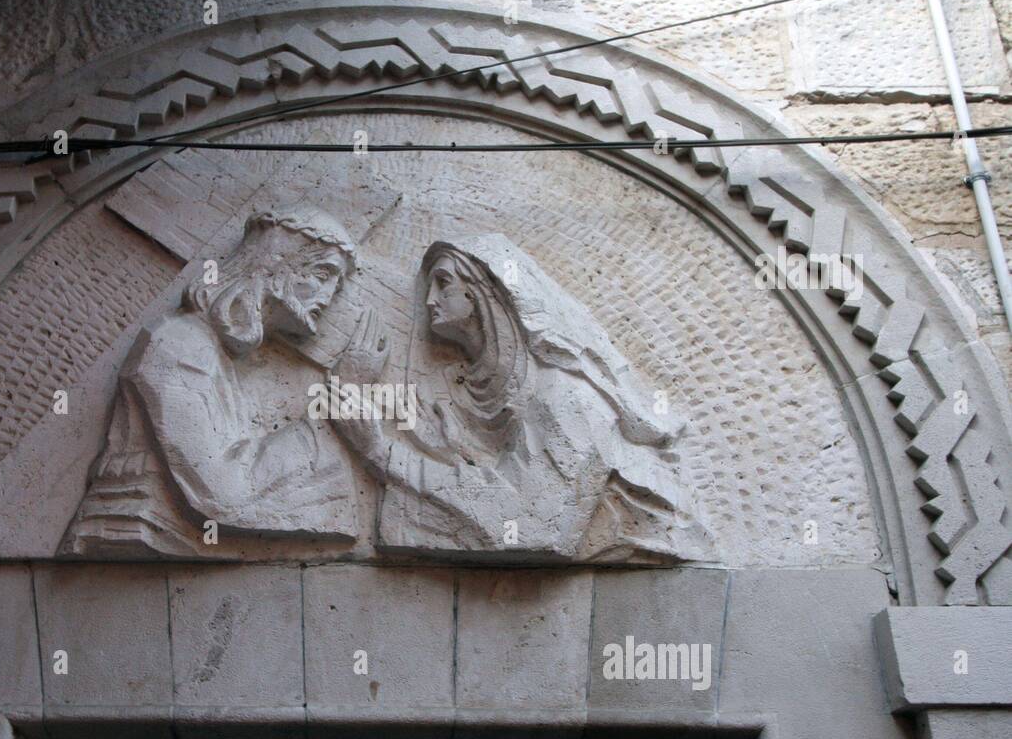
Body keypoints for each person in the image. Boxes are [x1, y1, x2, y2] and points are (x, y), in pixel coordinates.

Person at [331, 234, 715, 563]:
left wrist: (382, 454)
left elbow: (532, 523)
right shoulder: (470, 390)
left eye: (443, 282)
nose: (430, 299)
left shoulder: (568, 397)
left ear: (487, 293)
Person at [64, 206, 359, 556]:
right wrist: (329, 418)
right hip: (143, 533)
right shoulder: (180, 344)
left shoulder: (218, 356)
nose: (327, 297)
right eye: (322, 274)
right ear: (275, 263)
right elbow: (222, 490)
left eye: (336, 287)